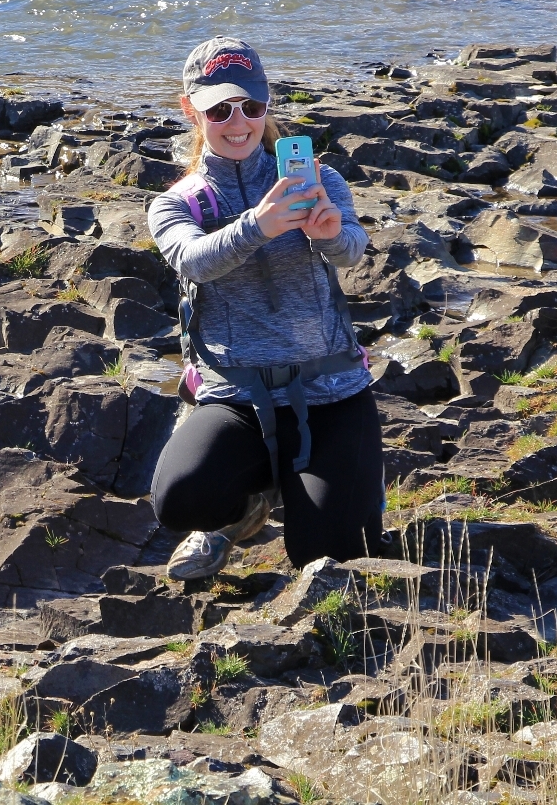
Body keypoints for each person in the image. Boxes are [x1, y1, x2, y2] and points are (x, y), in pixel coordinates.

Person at [146, 36, 383, 581]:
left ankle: (330, 491)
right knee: (179, 500)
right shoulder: (178, 202)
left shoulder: (318, 178)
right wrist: (259, 225)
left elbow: (351, 250)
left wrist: (327, 234)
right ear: (191, 109)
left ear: (266, 105)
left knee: (328, 557)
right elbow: (192, 261)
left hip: (330, 391)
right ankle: (244, 510)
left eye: (251, 106)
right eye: (219, 109)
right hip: (238, 396)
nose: (238, 121)